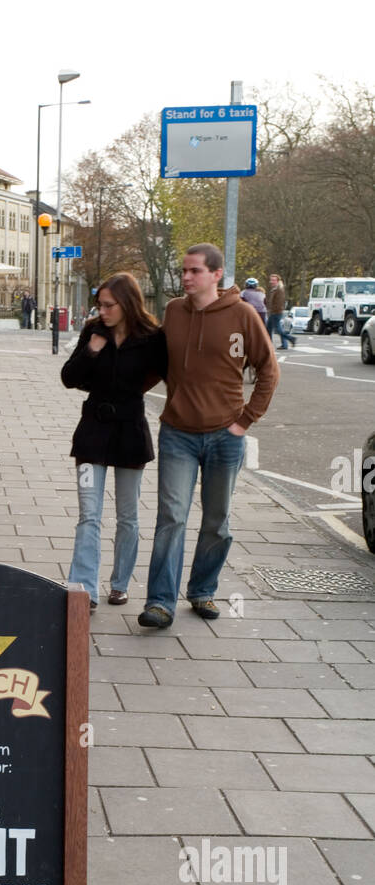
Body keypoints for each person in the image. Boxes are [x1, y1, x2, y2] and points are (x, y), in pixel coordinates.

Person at [138, 244, 279, 630]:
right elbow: (158, 363)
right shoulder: (173, 311)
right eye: (184, 270)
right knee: (171, 517)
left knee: (217, 521)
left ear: (216, 275)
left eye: (194, 271)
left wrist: (245, 421)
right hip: (177, 433)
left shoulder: (243, 314)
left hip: (225, 435)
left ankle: (202, 590)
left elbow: (268, 370)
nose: (186, 277)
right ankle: (159, 603)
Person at [61, 272, 167, 609]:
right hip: (93, 433)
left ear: (128, 304)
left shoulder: (151, 337)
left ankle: (119, 584)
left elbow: (164, 375)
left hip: (130, 435)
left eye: (109, 305)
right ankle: (84, 590)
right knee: (89, 514)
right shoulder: (93, 331)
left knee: (128, 516)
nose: (102, 311)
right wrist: (91, 352)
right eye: (100, 304)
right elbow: (69, 378)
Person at [266, 273, 293, 350]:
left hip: (276, 312)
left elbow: (279, 302)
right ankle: (283, 344)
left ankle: (290, 338)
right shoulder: (275, 289)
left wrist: (273, 311)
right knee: (270, 329)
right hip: (273, 312)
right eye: (271, 280)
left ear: (277, 281)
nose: (271, 281)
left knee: (277, 330)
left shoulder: (279, 289)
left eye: (273, 280)